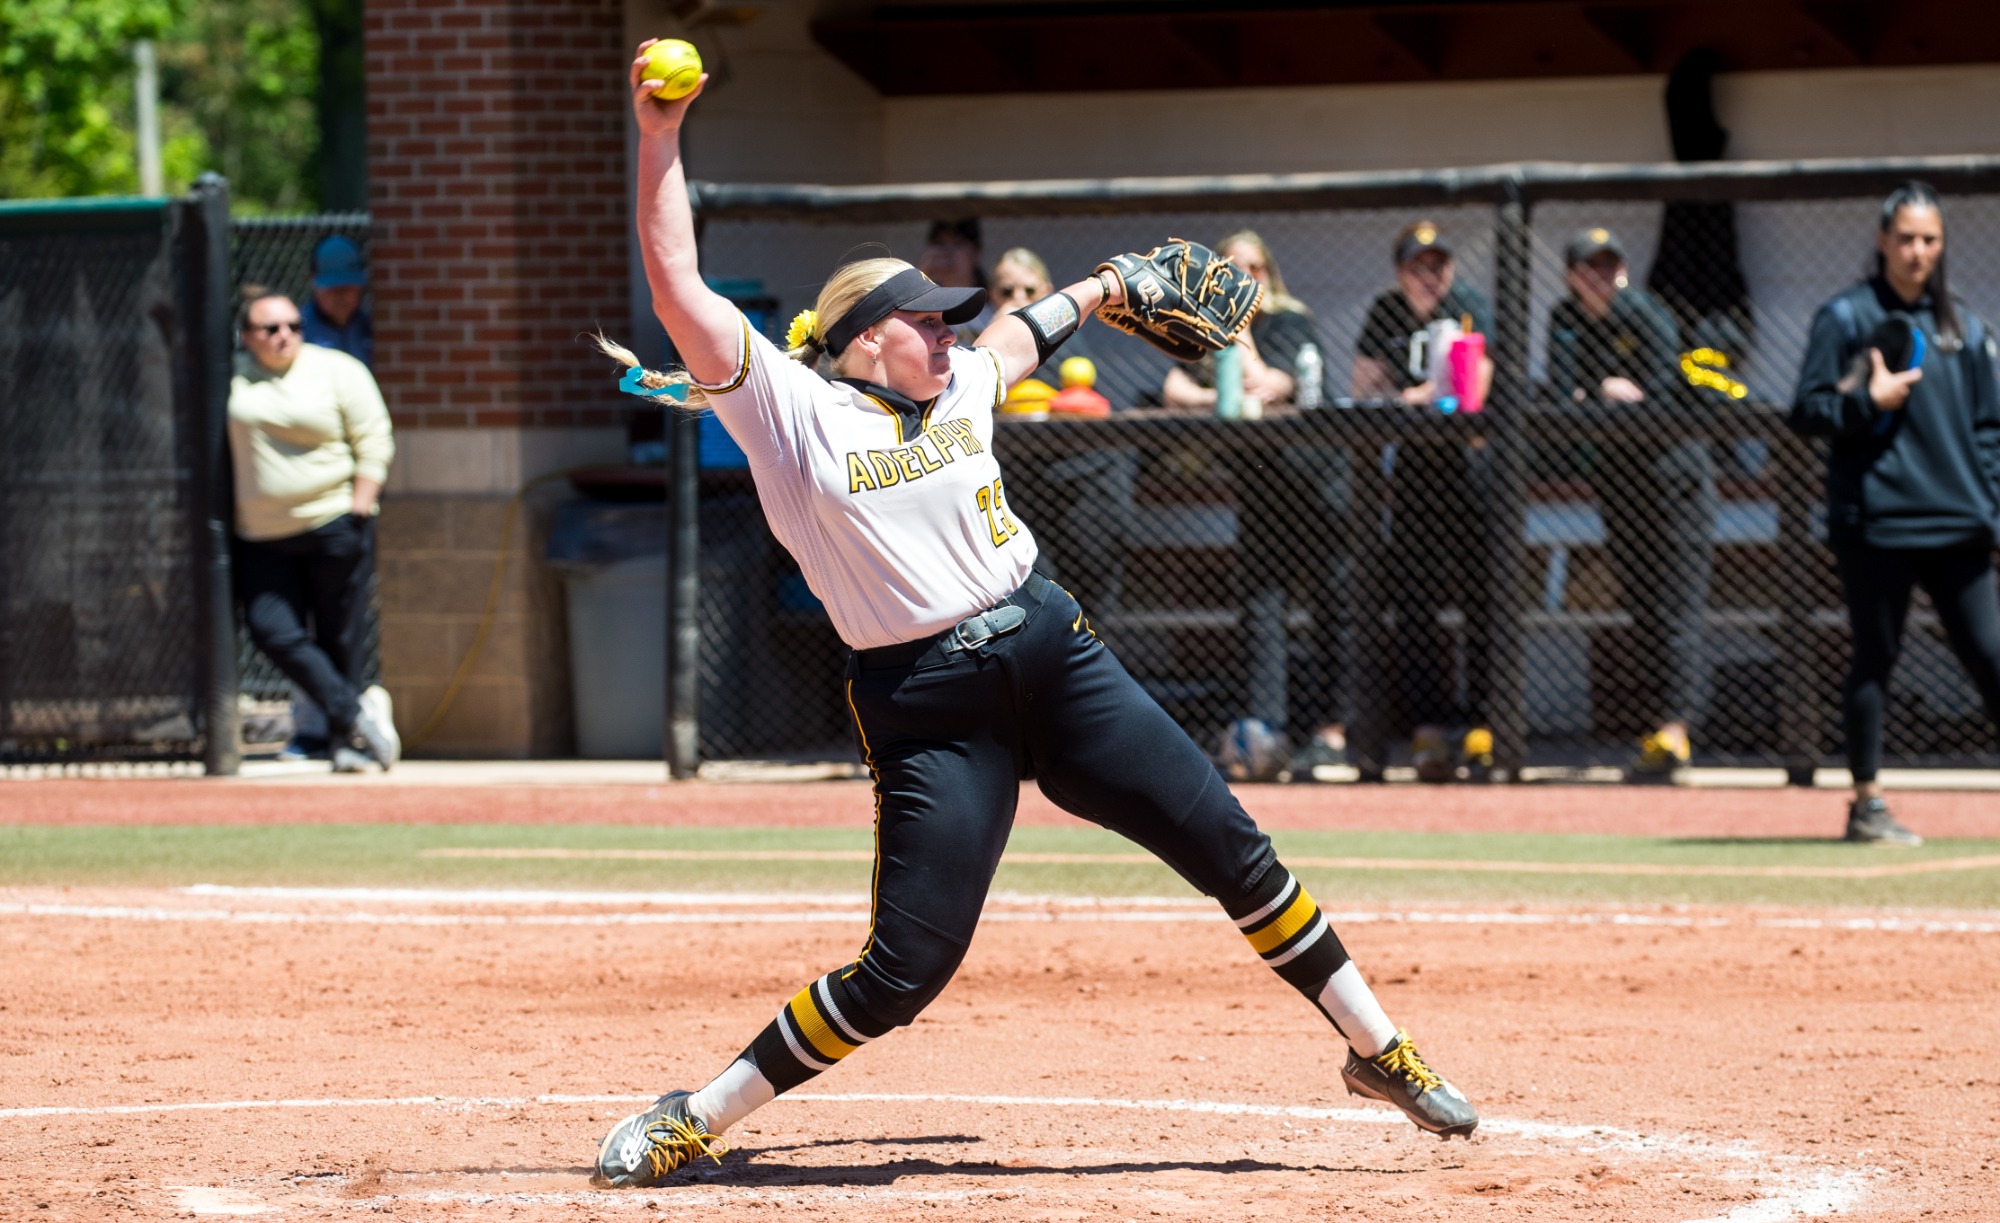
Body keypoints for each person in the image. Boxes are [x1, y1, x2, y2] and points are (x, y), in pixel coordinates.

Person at [591, 47, 1478, 1190]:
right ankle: (696, 1113)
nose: (953, 333)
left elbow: (1040, 321)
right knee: (902, 968)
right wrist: (659, 132)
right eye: (927, 321)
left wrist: (1113, 286)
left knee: (1229, 844)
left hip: (1051, 651)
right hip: (924, 704)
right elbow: (676, 281)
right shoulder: (790, 412)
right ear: (866, 336)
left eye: (954, 320)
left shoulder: (959, 382)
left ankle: (1379, 1048)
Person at [1789, 181, 2000, 846]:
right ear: (1882, 241)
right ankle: (1866, 802)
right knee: (1875, 655)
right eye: (1905, 238)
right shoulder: (1846, 317)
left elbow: (1990, 427)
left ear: (1942, 246)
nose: (1917, 251)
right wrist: (1865, 403)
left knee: (1991, 653)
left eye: (1929, 239)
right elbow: (1808, 410)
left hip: (1958, 519)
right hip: (1877, 521)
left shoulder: (1964, 327)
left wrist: (1988, 500)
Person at [1157, 232, 1351, 779]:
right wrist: (1211, 388)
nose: (1246, 282)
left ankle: (1331, 735)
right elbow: (1173, 386)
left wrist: (1238, 338)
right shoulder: (1206, 330)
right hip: (1264, 488)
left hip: (1318, 484)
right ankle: (1269, 731)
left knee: (1330, 605)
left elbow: (1273, 383)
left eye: (1255, 271)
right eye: (1232, 274)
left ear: (1271, 275)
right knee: (1262, 611)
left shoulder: (1289, 321)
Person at [1545, 227, 1717, 779]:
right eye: (1589, 267)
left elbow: (1660, 393)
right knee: (1642, 606)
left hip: (1677, 483)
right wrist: (1602, 392)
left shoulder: (1646, 313)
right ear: (1573, 276)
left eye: (1609, 264)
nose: (1602, 275)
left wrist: (1599, 396)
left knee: (1677, 605)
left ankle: (1677, 728)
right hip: (1620, 487)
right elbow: (1564, 394)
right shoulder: (1565, 321)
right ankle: (1660, 727)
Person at [228, 289, 400, 774]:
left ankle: (342, 743)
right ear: (247, 337)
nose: (285, 336)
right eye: (271, 329)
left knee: (338, 637)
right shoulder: (233, 380)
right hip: (261, 534)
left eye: (293, 326)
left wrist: (358, 510)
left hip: (333, 524)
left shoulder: (337, 370)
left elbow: (374, 438)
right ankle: (353, 711)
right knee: (272, 630)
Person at [1352, 221, 1497, 782]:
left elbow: (1474, 388)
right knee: (1415, 600)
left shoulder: (1467, 305)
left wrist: (1425, 398)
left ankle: (1485, 726)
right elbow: (1364, 387)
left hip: (1470, 468)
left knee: (1482, 597)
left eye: (1438, 265)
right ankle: (1429, 731)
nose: (1430, 276)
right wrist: (1407, 399)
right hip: (1414, 472)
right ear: (1400, 272)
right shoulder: (1384, 312)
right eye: (1418, 266)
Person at [988, 247, 1136, 615]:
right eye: (1007, 293)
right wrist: (1001, 332)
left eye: (1029, 291)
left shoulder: (1064, 328)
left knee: (1093, 599)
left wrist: (1017, 333)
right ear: (994, 296)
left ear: (1049, 293)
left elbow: (1066, 387)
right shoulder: (982, 338)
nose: (1019, 300)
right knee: (1038, 602)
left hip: (1086, 477)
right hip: (1025, 484)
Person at [281, 234, 375, 762]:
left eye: (351, 288)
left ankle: (344, 728)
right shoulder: (295, 332)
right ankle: (310, 729)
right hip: (303, 495)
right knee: (302, 621)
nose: (344, 298)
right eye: (334, 289)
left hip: (354, 493)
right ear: (315, 285)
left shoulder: (373, 329)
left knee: (345, 620)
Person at [918, 217, 994, 340]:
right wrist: (921, 276)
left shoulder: (994, 300)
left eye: (958, 244)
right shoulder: (925, 302)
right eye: (940, 243)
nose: (948, 252)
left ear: (976, 252)